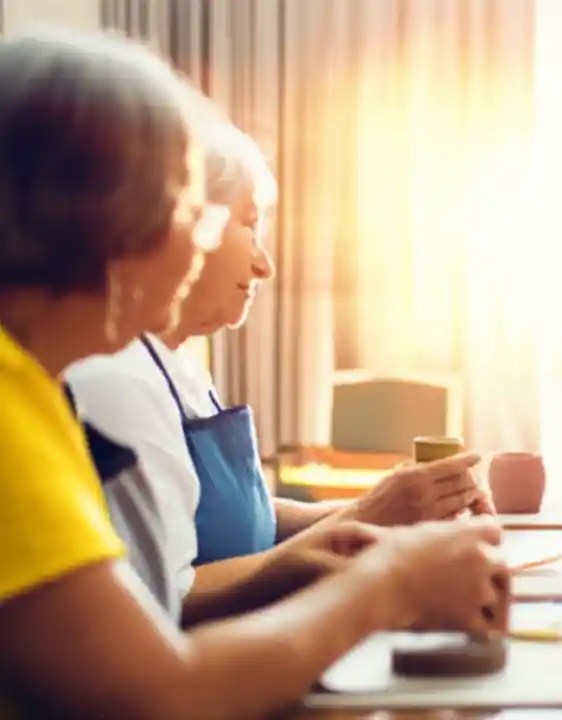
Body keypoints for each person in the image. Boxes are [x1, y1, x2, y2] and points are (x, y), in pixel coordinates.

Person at [0, 29, 507, 719]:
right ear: (101, 220)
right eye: (186, 210)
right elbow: (162, 694)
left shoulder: (31, 390)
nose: (202, 240)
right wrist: (389, 584)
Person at [66, 100, 494, 623]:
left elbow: (252, 522)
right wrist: (367, 526)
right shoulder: (115, 381)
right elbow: (166, 603)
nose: (265, 264)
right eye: (250, 227)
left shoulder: (178, 364)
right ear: (178, 223)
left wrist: (400, 508)